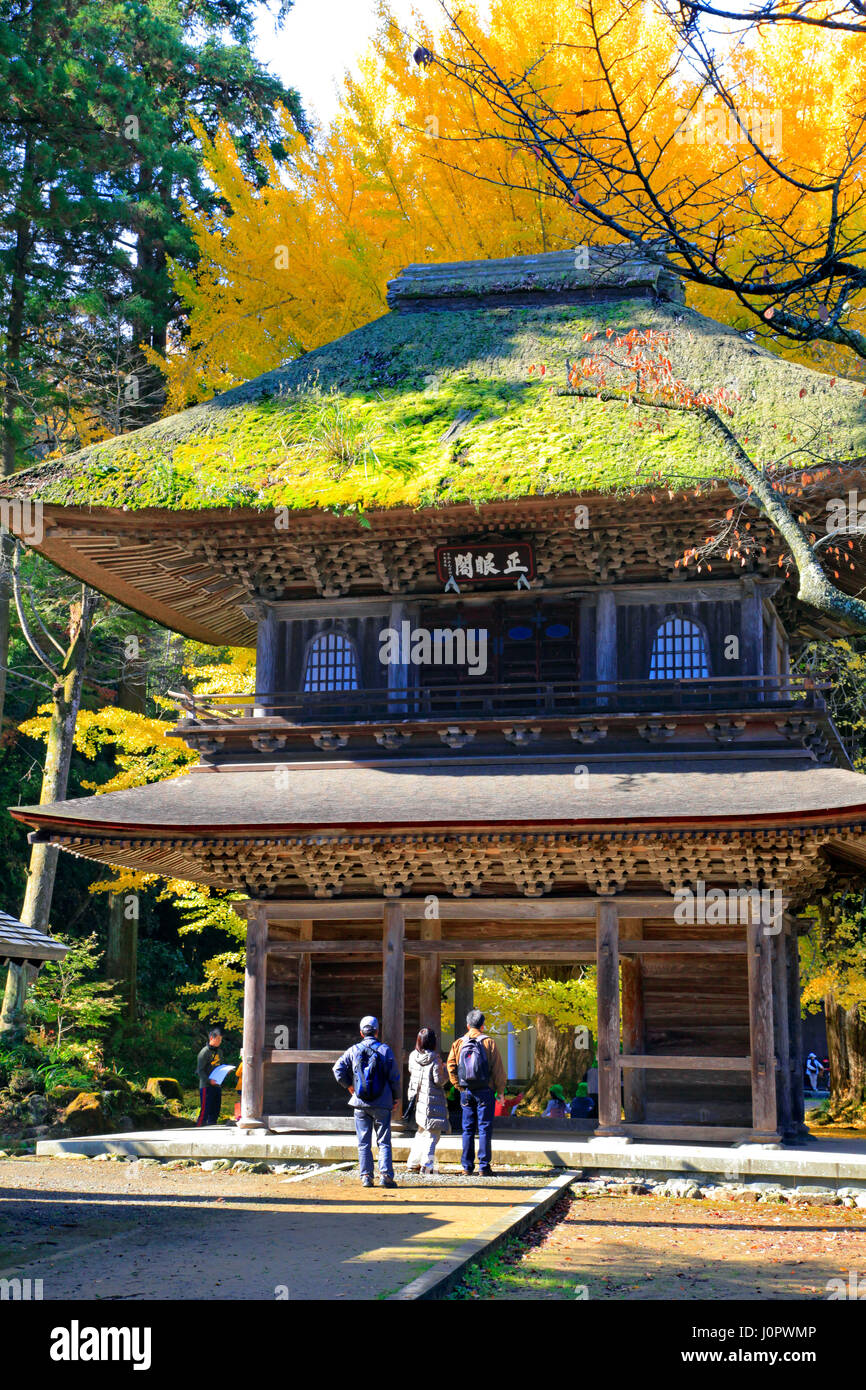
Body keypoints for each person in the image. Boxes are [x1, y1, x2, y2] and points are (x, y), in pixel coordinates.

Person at [333, 1014, 402, 1188]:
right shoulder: (385, 1050)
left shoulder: (354, 1050)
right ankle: (386, 1175)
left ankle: (366, 1176)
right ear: (377, 1032)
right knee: (384, 1141)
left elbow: (338, 1069)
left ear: (361, 1033)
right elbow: (394, 1076)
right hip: (382, 1101)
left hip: (359, 1102)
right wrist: (396, 1097)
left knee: (363, 1141)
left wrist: (349, 1086)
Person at [446, 1008, 506, 1177]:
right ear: (483, 1026)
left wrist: (458, 1086)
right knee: (485, 1127)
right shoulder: (489, 1042)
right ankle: (484, 1166)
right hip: (485, 1091)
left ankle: (467, 1166)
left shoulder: (458, 1043)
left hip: (466, 1091)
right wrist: (500, 1091)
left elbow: (450, 1066)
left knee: (467, 1129)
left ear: (467, 1025)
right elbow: (498, 1069)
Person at [405, 1027, 450, 1175]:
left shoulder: (413, 1056)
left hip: (418, 1100)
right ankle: (427, 1165)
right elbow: (438, 1080)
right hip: (432, 1102)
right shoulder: (435, 1058)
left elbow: (413, 1072)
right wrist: (446, 1072)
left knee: (421, 1132)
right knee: (433, 1135)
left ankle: (412, 1163)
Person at [195, 1025, 224, 1127]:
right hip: (206, 1086)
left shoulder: (219, 1052)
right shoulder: (204, 1052)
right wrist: (208, 1080)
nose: (220, 1042)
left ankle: (212, 1128)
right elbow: (199, 1071)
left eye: (221, 1040)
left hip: (217, 1085)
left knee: (215, 1110)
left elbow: (220, 1066)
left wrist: (225, 1071)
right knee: (205, 1111)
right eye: (218, 1039)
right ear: (211, 1038)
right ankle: (198, 1129)